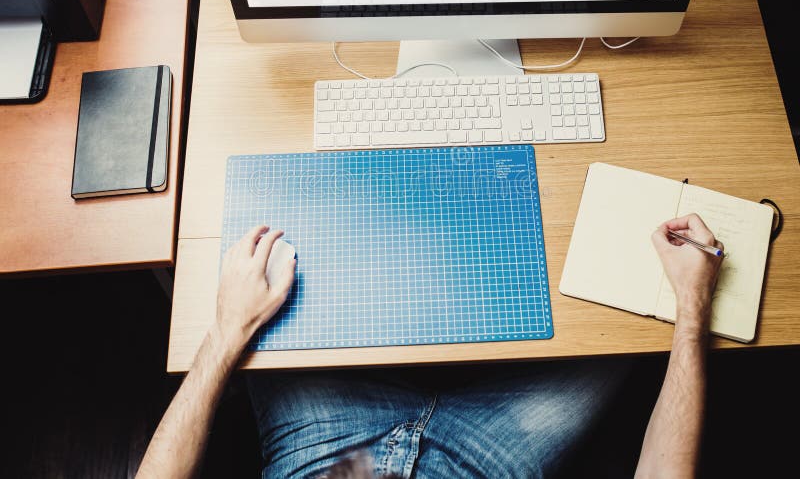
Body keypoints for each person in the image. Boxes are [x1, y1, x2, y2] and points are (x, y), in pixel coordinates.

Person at [136, 214, 723, 478]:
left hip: (325, 447)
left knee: (295, 232)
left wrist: (226, 331)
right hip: (491, 457)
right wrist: (692, 312)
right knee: (622, 329)